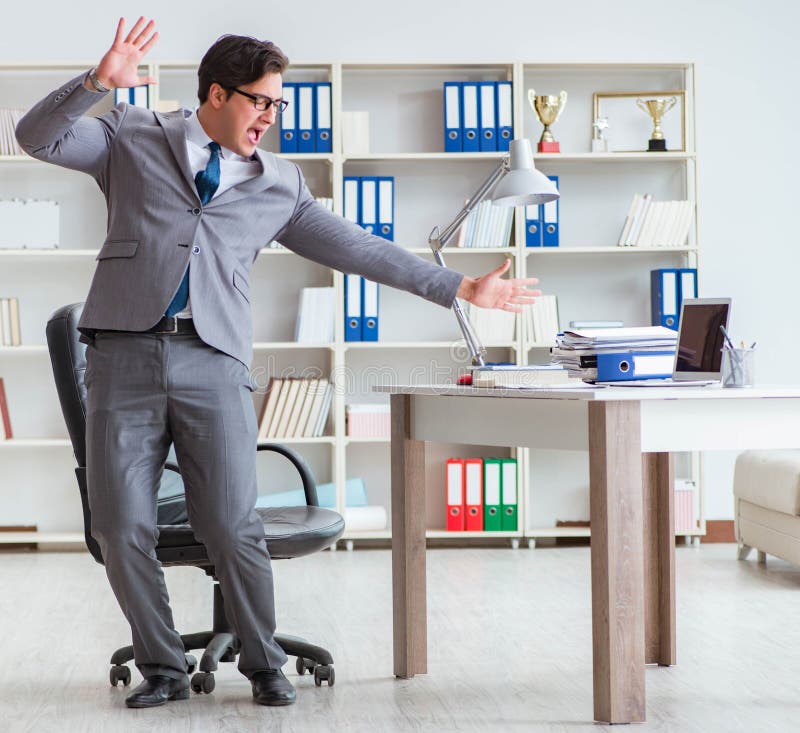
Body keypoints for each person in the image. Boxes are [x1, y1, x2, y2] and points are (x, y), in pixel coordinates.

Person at [15, 16, 541, 709]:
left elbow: (358, 247)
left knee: (232, 524)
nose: (270, 116)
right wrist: (93, 83)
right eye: (259, 100)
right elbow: (36, 137)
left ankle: (265, 662)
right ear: (215, 94)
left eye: (277, 104)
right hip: (123, 358)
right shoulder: (133, 136)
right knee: (118, 525)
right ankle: (164, 666)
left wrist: (460, 288)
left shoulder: (279, 183)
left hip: (214, 361)